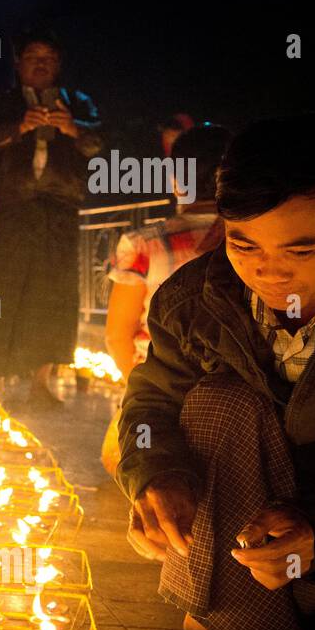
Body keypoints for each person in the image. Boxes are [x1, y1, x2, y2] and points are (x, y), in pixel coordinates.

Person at [116, 114, 315, 630]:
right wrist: (155, 474)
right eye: (245, 244)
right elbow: (150, 402)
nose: (268, 269)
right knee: (218, 402)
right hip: (257, 580)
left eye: (301, 248)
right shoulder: (198, 300)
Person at [0, 28, 103, 407]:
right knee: (3, 289)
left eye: (48, 58)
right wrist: (21, 126)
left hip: (60, 208)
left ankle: (40, 382)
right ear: (18, 64)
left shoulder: (77, 103)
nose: (41, 64)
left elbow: (98, 144)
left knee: (53, 295)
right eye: (33, 57)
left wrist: (71, 128)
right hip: (14, 207)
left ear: (58, 65)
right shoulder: (4, 102)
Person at [101, 124, 229, 475]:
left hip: (159, 392)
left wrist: (143, 395)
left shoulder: (142, 244)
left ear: (176, 179)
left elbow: (117, 336)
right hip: (233, 394)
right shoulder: (251, 241)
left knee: (117, 458)